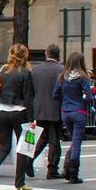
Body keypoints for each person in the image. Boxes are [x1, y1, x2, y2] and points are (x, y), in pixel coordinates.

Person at [0, 44, 35, 190]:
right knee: (23, 147)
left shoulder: (3, 70)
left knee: (4, 146)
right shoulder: (25, 73)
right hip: (20, 111)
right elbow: (28, 98)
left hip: (2, 110)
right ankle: (20, 182)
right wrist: (32, 119)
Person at [54, 52, 96, 184]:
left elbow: (55, 94)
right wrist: (82, 99)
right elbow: (89, 97)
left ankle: (67, 168)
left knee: (73, 140)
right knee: (77, 142)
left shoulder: (62, 76)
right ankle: (72, 172)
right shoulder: (82, 77)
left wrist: (65, 100)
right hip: (78, 111)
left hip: (65, 111)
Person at [29, 44, 64, 180]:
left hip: (39, 107)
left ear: (46, 53)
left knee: (43, 137)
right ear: (58, 54)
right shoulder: (61, 69)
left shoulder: (36, 70)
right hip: (55, 107)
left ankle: (29, 159)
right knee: (54, 140)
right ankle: (52, 168)